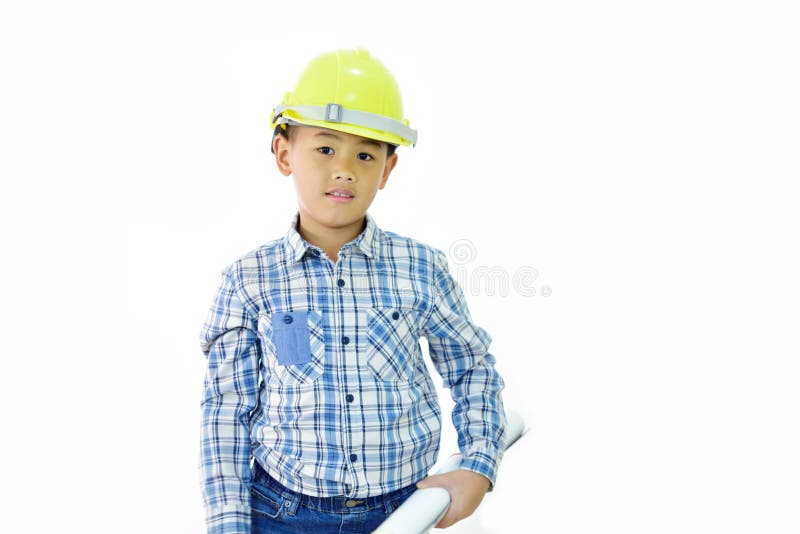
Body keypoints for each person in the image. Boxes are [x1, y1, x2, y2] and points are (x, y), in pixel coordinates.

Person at [199, 47, 507, 533]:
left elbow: (471, 367)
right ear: (284, 154)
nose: (345, 169)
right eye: (325, 148)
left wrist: (479, 464)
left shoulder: (422, 269)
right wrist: (227, 525)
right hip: (282, 514)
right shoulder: (248, 279)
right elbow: (226, 412)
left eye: (365, 154)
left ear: (386, 170)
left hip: (406, 510)